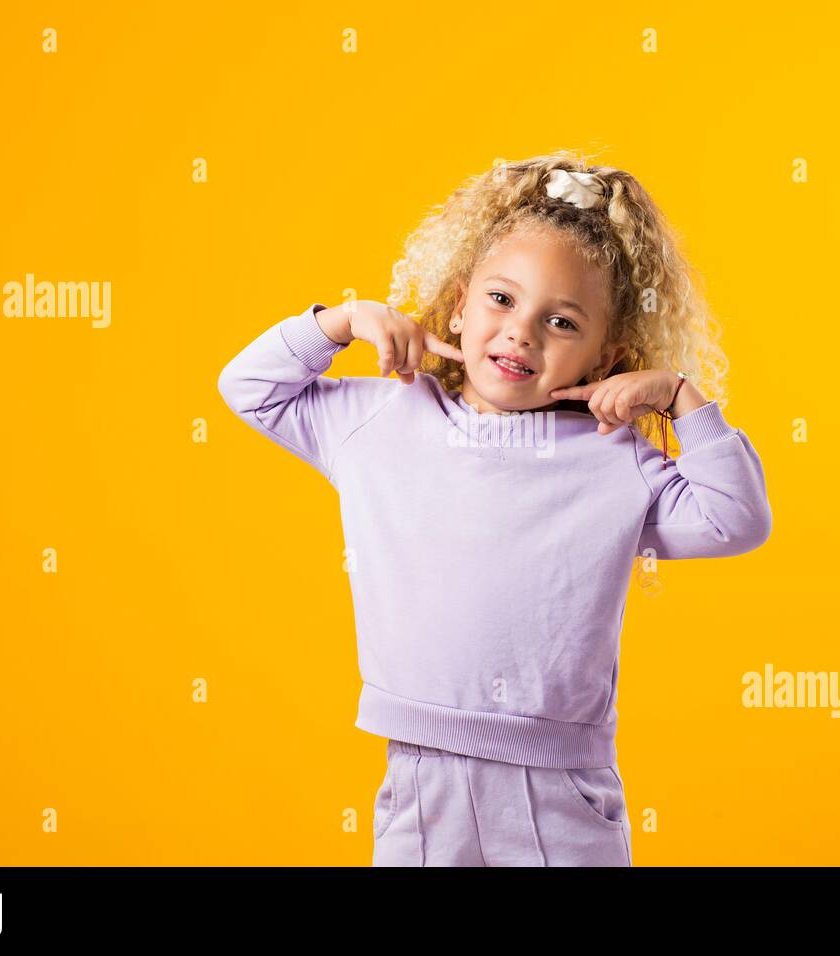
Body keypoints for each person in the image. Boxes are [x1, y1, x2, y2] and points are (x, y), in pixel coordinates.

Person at [217, 151, 773, 866]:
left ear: (609, 358)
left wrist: (678, 397)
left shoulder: (615, 459)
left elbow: (737, 518)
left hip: (561, 790)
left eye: (562, 322)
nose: (521, 333)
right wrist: (342, 321)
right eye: (502, 300)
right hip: (423, 781)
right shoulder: (383, 419)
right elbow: (248, 387)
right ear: (458, 304)